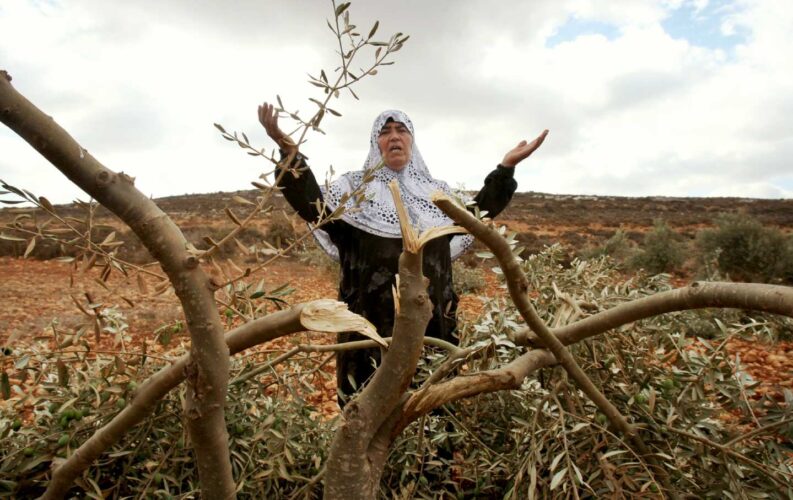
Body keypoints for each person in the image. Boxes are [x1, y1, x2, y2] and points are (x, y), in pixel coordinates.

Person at [258, 103, 547, 406]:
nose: (394, 137)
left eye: (401, 130)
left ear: (412, 140)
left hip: (432, 331)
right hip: (366, 334)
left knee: (432, 414)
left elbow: (478, 214)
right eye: (385, 132)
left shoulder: (438, 195)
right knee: (365, 417)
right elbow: (311, 205)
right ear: (375, 142)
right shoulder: (352, 193)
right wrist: (288, 150)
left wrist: (505, 169)